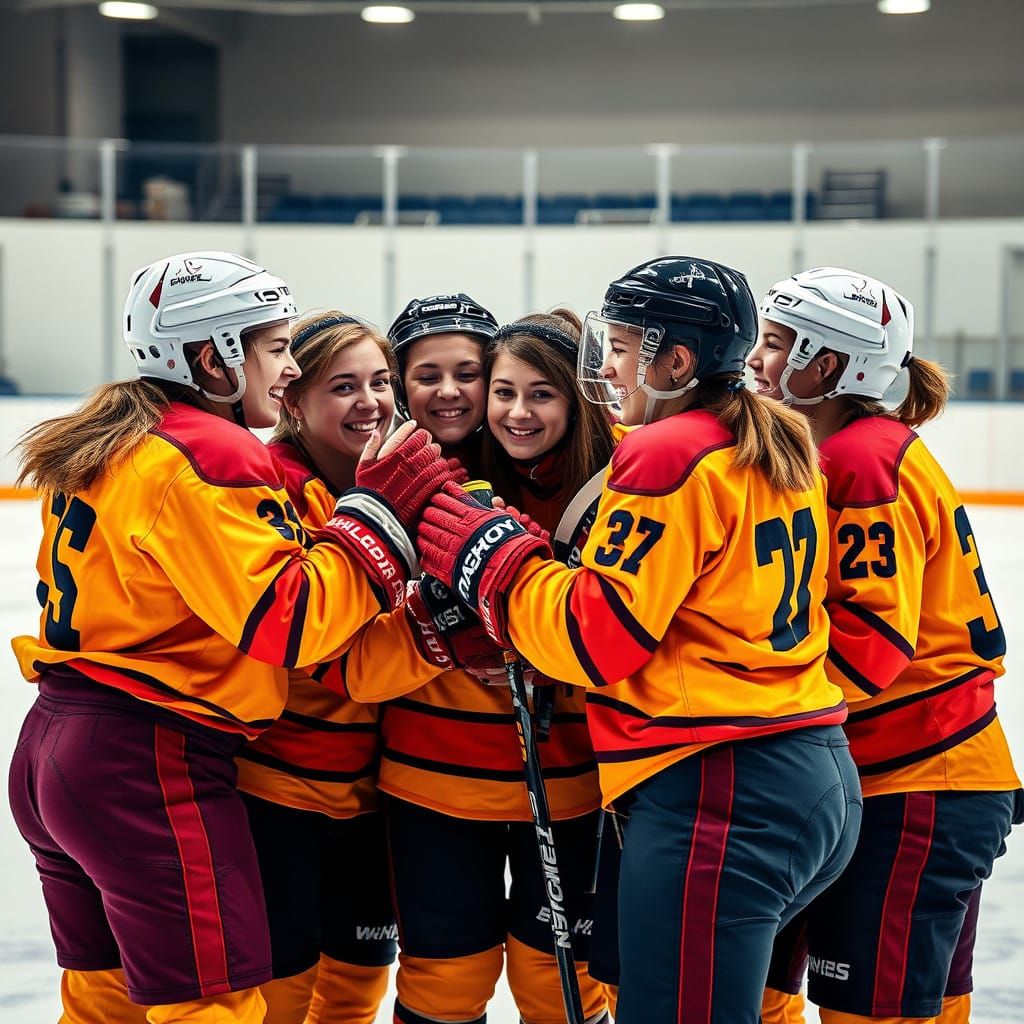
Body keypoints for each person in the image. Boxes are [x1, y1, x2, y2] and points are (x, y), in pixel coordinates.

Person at [379, 256, 865, 1024]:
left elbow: (590, 637)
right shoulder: (768, 437)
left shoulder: (668, 449)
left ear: (676, 359)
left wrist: (491, 555)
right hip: (808, 771)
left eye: (623, 345)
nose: (605, 366)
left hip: (719, 785)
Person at [7, 252, 455, 1024]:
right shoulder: (207, 449)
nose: (287, 370)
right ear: (212, 356)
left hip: (55, 752)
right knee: (212, 1007)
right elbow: (291, 620)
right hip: (147, 761)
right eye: (276, 348)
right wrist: (378, 517)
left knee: (103, 1003)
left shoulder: (116, 436)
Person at [748, 267, 1022, 1024]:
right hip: (893, 776)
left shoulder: (861, 456)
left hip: (920, 780)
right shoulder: (839, 448)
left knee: (883, 1012)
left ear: (826, 365)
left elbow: (872, 647)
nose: (754, 360)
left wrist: (745, 707)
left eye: (773, 344)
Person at [375, 301, 615, 1024]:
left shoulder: (625, 477)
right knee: (446, 984)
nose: (511, 410)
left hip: (572, 784)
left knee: (560, 984)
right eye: (505, 391)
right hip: (432, 781)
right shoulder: (421, 473)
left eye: (537, 393)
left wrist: (552, 649)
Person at [234, 311, 402, 1024]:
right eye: (344, 386)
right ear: (293, 401)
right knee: (282, 993)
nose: (371, 402)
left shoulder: (399, 482)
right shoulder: (267, 487)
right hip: (276, 792)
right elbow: (322, 647)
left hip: (370, 797)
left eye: (381, 382)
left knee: (358, 984)